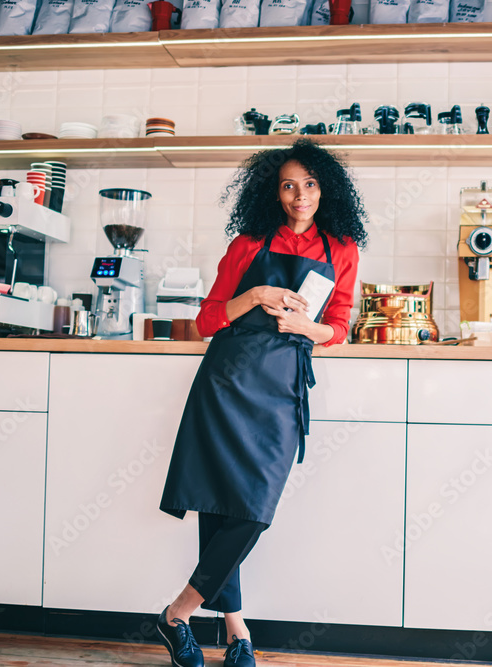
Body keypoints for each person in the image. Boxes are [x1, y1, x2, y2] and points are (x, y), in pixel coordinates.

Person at [156, 139, 368, 667]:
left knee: (253, 508)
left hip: (281, 389)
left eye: (311, 184)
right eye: (289, 185)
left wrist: (304, 326)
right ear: (273, 191)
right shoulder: (249, 243)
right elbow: (206, 321)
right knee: (221, 504)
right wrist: (255, 297)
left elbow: (338, 326)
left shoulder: (341, 248)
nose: (300, 196)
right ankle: (236, 632)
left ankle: (177, 614)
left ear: (327, 188)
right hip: (227, 382)